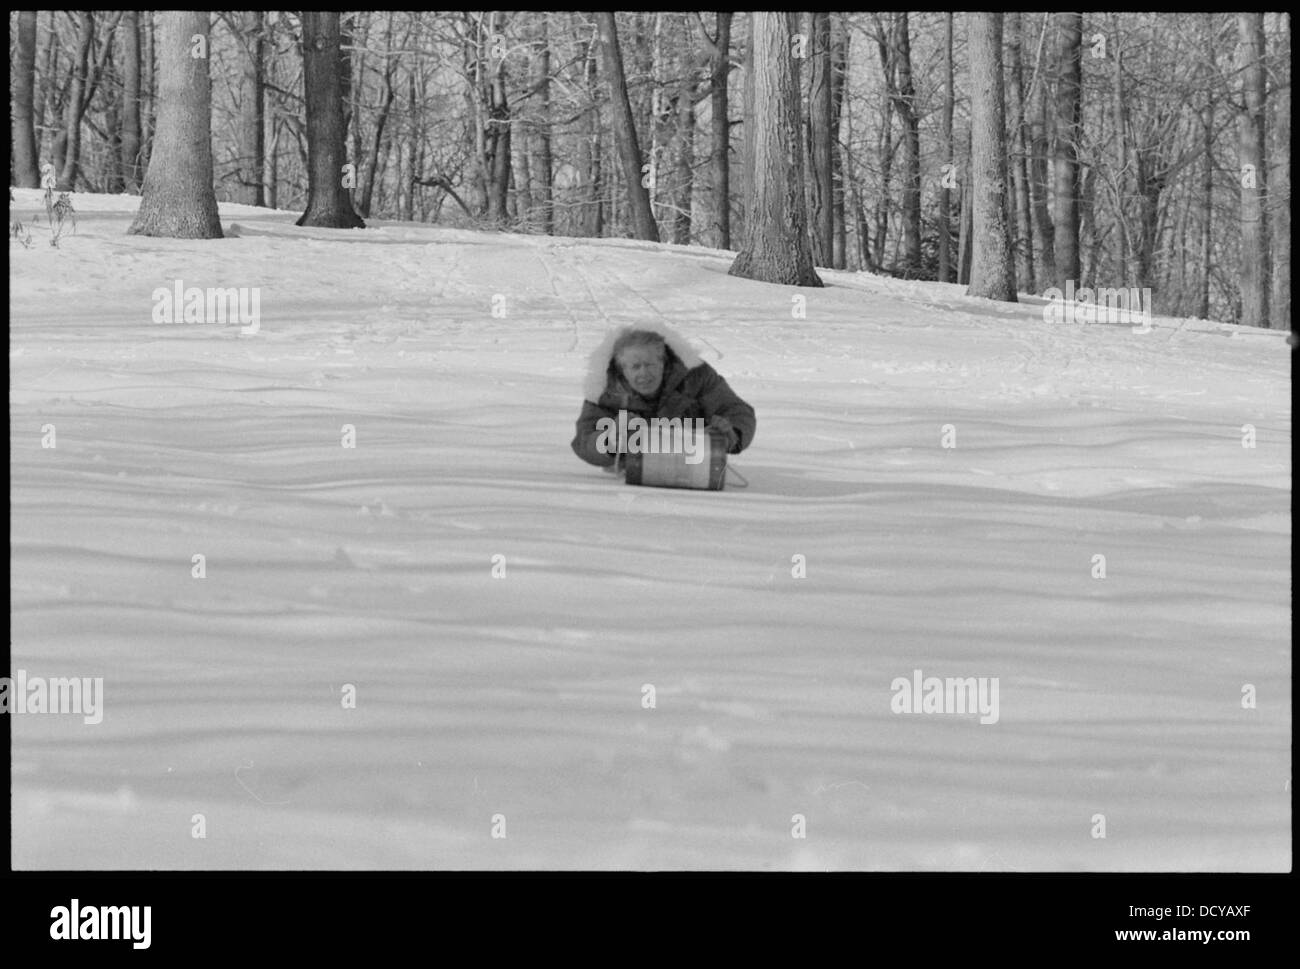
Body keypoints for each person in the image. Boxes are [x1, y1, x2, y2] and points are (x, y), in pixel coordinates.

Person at [571, 323, 756, 469]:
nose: (644, 373)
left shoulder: (696, 377)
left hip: (696, 474)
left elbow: (737, 411)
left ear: (663, 363)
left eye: (650, 364)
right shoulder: (604, 390)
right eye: (635, 367)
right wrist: (611, 439)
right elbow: (584, 439)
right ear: (622, 370)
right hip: (631, 482)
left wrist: (731, 433)